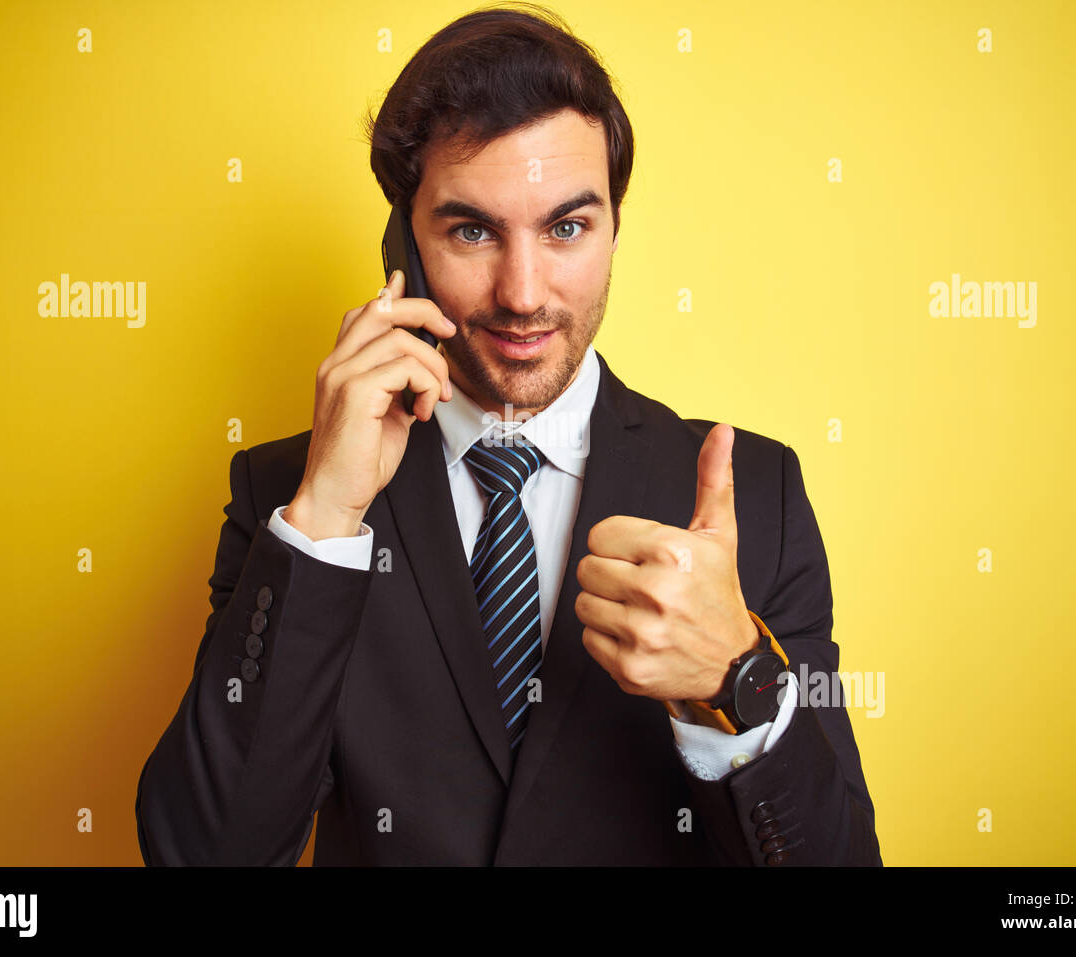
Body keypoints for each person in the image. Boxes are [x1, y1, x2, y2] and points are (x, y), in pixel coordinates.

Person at [135, 3, 881, 866]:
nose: (523, 292)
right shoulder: (289, 499)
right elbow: (202, 853)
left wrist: (736, 680)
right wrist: (326, 519)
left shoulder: (755, 494)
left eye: (567, 227)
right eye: (471, 230)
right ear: (403, 247)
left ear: (612, 229)